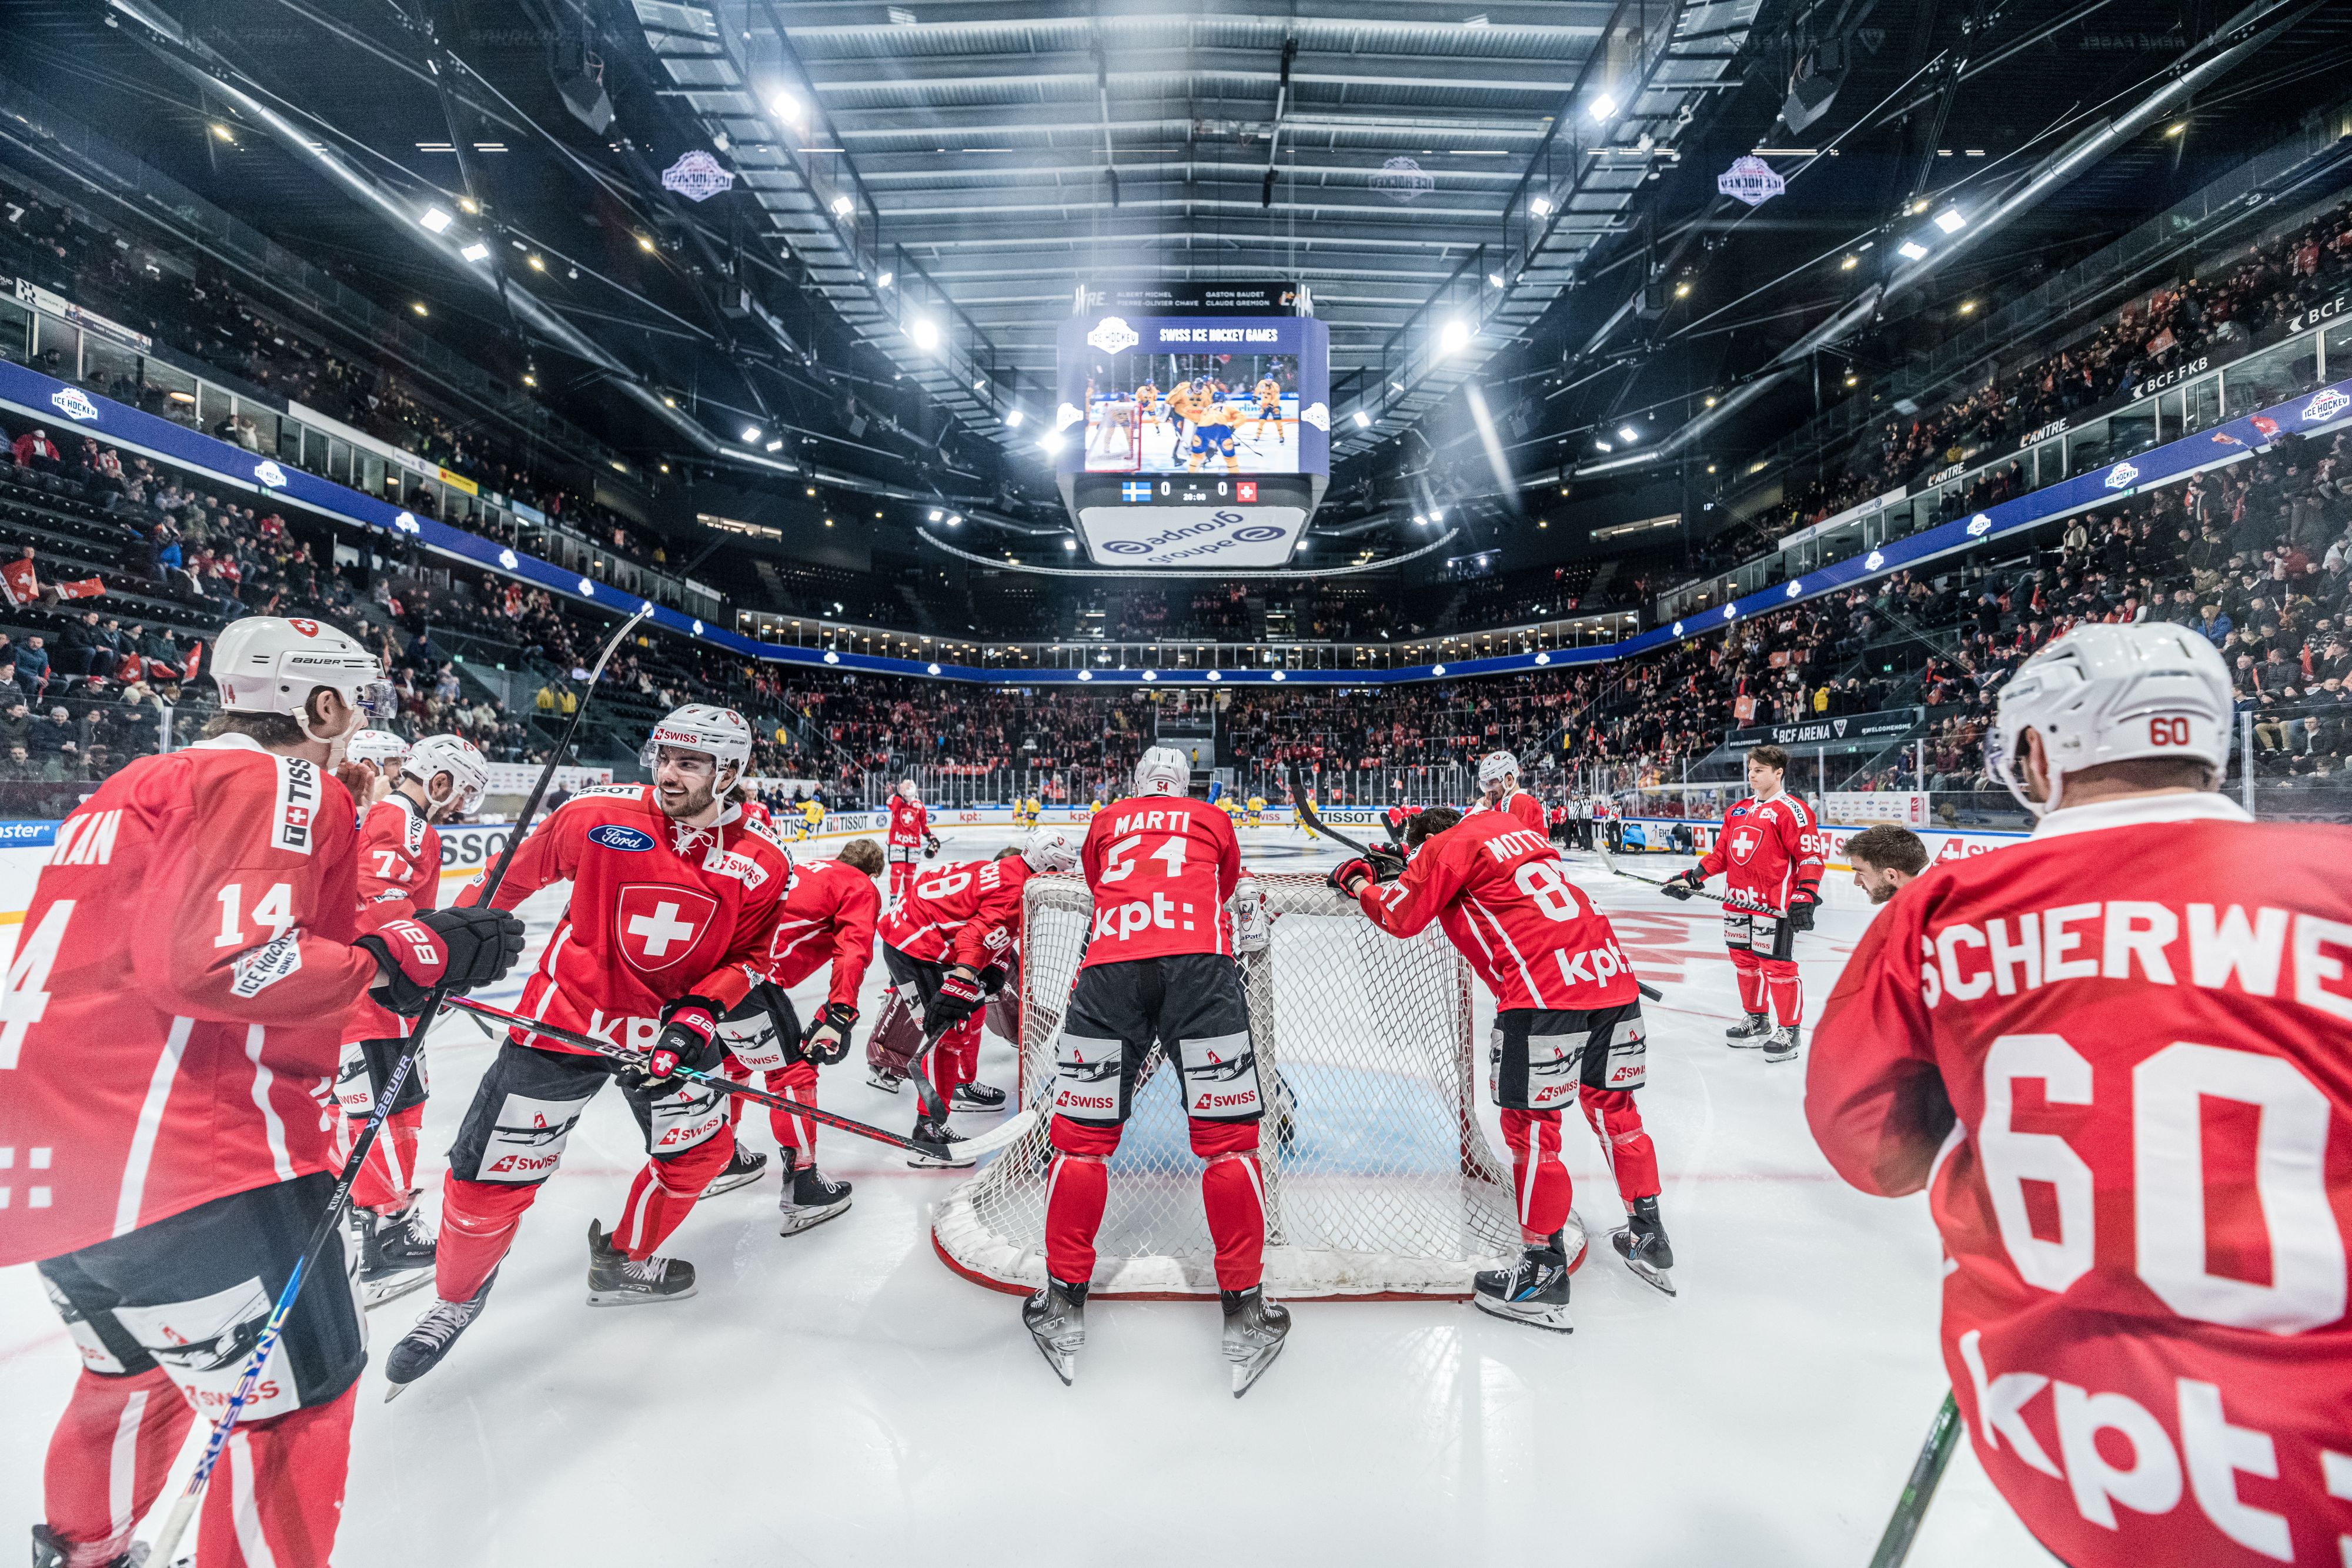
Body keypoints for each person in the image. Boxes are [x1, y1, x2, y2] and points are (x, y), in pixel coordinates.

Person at [1808, 621, 2352, 1568]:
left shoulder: (1942, 908)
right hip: (2314, 1460)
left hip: (2078, 1437)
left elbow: (1868, 1143)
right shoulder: (2335, 882)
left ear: (2045, 746)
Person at [0, 616, 522, 1568]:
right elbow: (229, 958)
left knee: (128, 1375)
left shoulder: (126, 785)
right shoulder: (277, 778)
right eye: (355, 701)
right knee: (298, 1406)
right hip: (191, 1167)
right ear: (317, 704)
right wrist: (406, 952)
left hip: (55, 1163)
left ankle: (83, 1552)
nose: (362, 722)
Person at [383, 705, 792, 1396]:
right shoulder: (597, 814)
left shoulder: (764, 863)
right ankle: (455, 1299)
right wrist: (444, 944)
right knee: (487, 1179)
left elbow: (752, 958)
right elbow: (507, 879)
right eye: (664, 756)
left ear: (731, 772)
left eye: (690, 764)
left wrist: (699, 1012)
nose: (668, 773)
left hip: (668, 1041)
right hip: (564, 1023)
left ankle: (624, 1260)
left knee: (700, 1156)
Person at [1337, 803, 1672, 1323]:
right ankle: (1649, 1234)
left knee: (1535, 1131)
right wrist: (1410, 869)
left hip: (1544, 993)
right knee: (1617, 1114)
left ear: (1425, 840)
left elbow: (1400, 916)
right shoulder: (1510, 831)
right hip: (1611, 977)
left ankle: (1542, 1270)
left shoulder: (1444, 847)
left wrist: (1361, 883)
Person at [1022, 747, 1285, 1393]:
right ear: (1185, 786)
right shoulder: (1212, 816)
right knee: (1229, 1146)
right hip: (1200, 968)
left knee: (1080, 1143)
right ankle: (1245, 1311)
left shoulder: (1108, 818)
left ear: (1136, 785)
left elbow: (1095, 879)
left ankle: (1062, 1301)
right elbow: (1224, 888)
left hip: (1110, 969)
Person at [335, 733, 492, 1306]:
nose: (455, 813)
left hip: (364, 999)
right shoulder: (404, 823)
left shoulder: (387, 816)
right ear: (442, 782)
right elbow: (382, 912)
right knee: (387, 1111)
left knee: (374, 1108)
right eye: (458, 799)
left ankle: (369, 1218)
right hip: (376, 1002)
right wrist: (428, 967)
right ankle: (386, 1235)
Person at [711, 837, 885, 1232]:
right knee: (792, 1073)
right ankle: (803, 1184)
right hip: (754, 977)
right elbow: (853, 949)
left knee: (733, 1059)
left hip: (715, 969)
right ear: (874, 872)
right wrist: (840, 1012)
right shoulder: (859, 885)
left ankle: (721, 1157)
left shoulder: (806, 866)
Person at [872, 832, 1077, 1149]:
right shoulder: (1017, 892)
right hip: (914, 947)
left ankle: (959, 1086)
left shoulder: (1014, 868)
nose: (1061, 882)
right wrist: (962, 981)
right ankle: (928, 1130)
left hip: (923, 936)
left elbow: (985, 923)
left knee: (975, 1012)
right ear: (1044, 869)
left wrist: (992, 969)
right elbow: (975, 937)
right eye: (1057, 874)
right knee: (947, 1035)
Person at [1659, 743, 1823, 1062]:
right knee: (1744, 964)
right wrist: (1693, 878)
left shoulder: (1793, 810)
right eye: (1750, 769)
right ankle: (1756, 1019)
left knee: (1777, 967)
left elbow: (1810, 856)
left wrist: (1806, 894)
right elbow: (1722, 855)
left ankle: (1790, 1029)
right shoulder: (1737, 811)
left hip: (1772, 905)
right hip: (1737, 902)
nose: (1752, 775)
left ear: (1778, 773)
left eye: (1759, 770)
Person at [1843, 823, 1929, 905]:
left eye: (1861, 873)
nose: (1856, 882)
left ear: (1891, 876)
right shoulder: (1924, 892)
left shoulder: (1934, 908)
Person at [1468, 748, 1546, 833]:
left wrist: (1483, 814)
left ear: (1509, 780)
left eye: (1492, 783)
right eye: (1487, 785)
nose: (1489, 791)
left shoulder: (1513, 803)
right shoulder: (1529, 802)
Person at [885, 777, 928, 907]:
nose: (908, 799)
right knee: (898, 869)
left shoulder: (919, 806)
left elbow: (924, 825)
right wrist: (900, 793)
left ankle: (907, 897)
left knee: (910, 872)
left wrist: (931, 837)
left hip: (914, 842)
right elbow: (893, 808)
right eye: (906, 796)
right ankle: (893, 897)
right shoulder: (895, 799)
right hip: (897, 840)